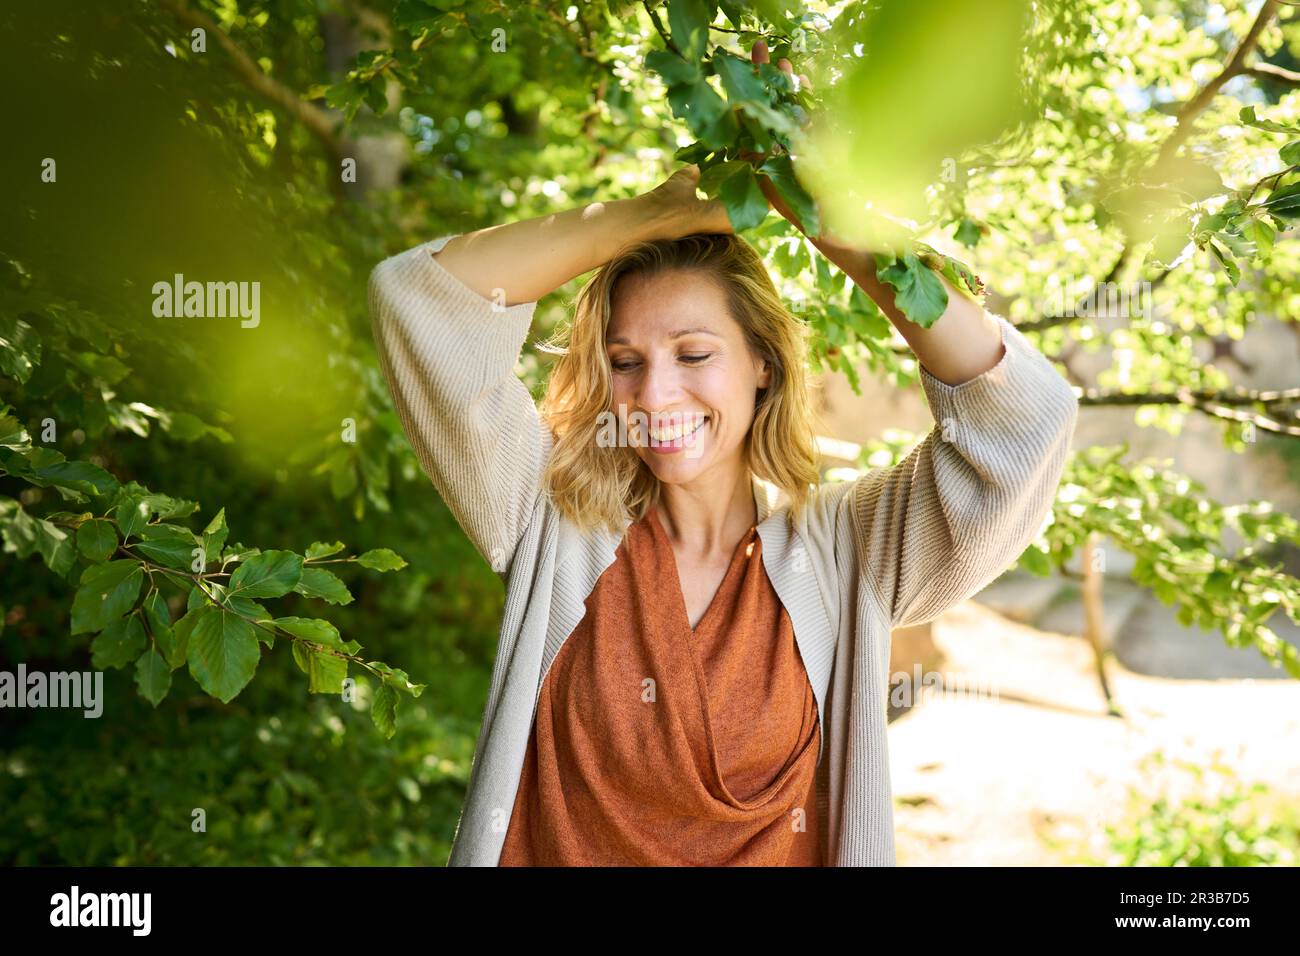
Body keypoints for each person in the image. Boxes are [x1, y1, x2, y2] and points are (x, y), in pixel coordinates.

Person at [367, 44, 1079, 866]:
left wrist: (839, 226)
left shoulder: (851, 550)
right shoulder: (550, 519)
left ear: (762, 365)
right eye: (626, 361)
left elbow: (1020, 423)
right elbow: (421, 301)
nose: (655, 395)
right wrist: (648, 217)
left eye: (695, 354)